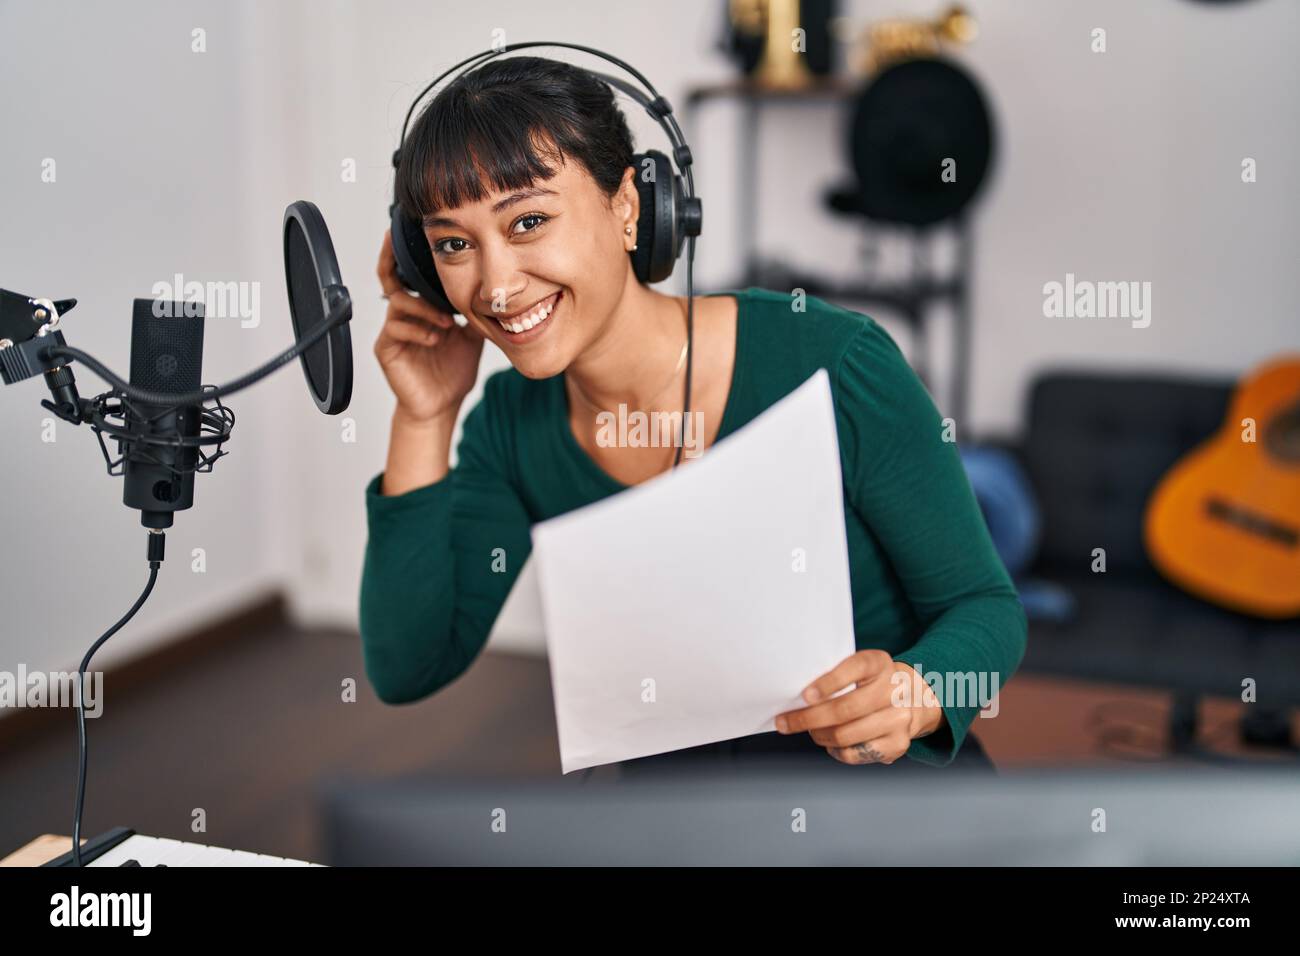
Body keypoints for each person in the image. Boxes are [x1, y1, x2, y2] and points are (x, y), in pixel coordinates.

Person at [361, 56, 1026, 771]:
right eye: (454, 245)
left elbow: (988, 611)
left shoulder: (833, 361)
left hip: (881, 808)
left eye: (528, 220)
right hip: (684, 825)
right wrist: (423, 420)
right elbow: (409, 666)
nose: (494, 286)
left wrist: (919, 691)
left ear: (626, 207)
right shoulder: (509, 425)